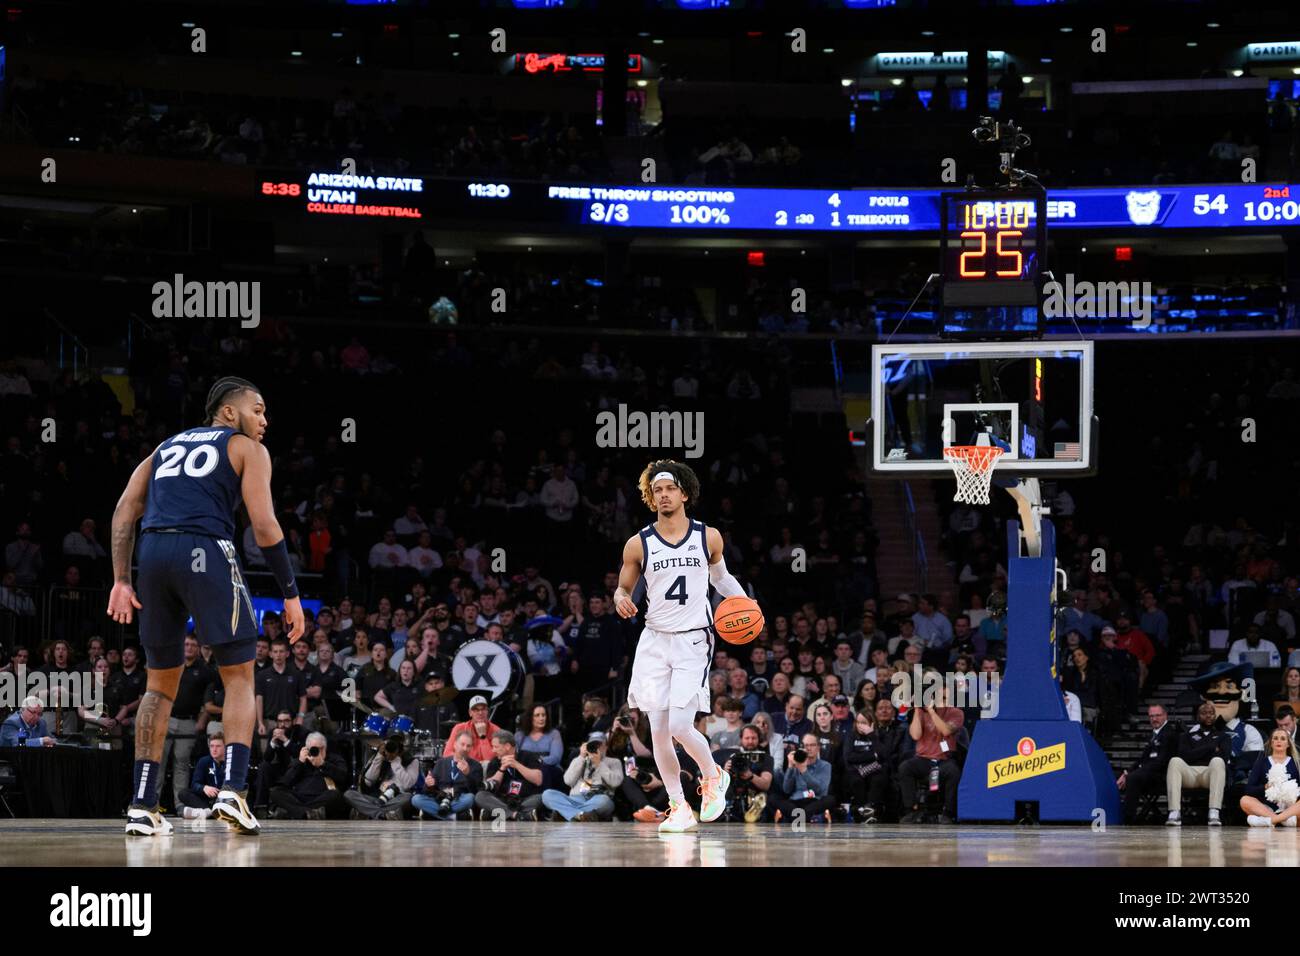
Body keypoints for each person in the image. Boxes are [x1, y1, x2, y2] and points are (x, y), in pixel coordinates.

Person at [107, 377, 305, 835]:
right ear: (230, 413)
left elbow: (123, 511)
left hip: (152, 554)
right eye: (258, 410)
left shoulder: (164, 447)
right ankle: (234, 792)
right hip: (205, 549)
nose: (264, 421)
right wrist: (291, 593)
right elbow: (264, 525)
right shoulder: (244, 448)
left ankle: (141, 805)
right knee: (238, 675)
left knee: (159, 687)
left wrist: (120, 578)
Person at [614, 460, 747, 833]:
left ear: (684, 493)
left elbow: (722, 580)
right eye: (657, 490)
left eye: (670, 488)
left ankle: (713, 775)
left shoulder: (709, 537)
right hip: (654, 640)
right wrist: (619, 596)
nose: (663, 495)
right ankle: (679, 807)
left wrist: (749, 607)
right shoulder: (638, 543)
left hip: (692, 638)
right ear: (650, 497)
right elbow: (623, 587)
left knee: (679, 724)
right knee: (657, 729)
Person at [898, 685, 964, 824]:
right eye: (940, 697)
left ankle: (948, 812)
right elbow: (915, 735)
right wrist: (917, 709)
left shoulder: (956, 713)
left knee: (953, 772)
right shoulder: (921, 712)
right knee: (905, 767)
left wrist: (932, 712)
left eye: (946, 698)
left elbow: (946, 731)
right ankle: (911, 810)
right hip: (923, 759)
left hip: (944, 759)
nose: (943, 701)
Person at [1166, 700, 1232, 827]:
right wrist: (1211, 747)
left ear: (1215, 716)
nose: (1208, 716)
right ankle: (1174, 812)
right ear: (1198, 716)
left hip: (1210, 774)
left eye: (1211, 713)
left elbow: (1223, 757)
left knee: (1217, 761)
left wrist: (1196, 752)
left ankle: (1214, 812)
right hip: (1190, 773)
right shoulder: (1187, 736)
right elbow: (1184, 756)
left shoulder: (1223, 737)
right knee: (1175, 761)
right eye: (1204, 713)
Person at [1116, 704, 1179, 824]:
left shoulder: (1170, 734)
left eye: (1157, 716)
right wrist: (1126, 772)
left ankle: (1127, 819)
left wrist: (1132, 773)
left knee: (1133, 778)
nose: (1154, 719)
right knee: (1118, 776)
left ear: (1165, 715)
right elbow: (1142, 759)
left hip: (1162, 775)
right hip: (1148, 773)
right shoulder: (1154, 734)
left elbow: (1161, 761)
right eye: (1151, 716)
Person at [542, 732, 624, 821]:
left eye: (600, 745)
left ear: (606, 747)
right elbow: (568, 781)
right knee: (547, 794)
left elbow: (616, 782)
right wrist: (581, 757)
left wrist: (599, 764)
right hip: (576, 799)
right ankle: (581, 815)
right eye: (593, 745)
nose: (596, 748)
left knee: (604, 801)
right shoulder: (579, 760)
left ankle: (566, 813)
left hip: (598, 799)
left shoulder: (614, 762)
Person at [269, 733, 350, 820]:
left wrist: (323, 764)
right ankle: (308, 814)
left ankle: (294, 813)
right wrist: (299, 762)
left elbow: (343, 777)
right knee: (275, 792)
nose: (317, 752)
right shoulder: (301, 760)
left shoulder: (335, 759)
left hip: (322, 798)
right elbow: (285, 782)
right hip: (299, 798)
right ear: (307, 748)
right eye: (313, 749)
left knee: (335, 795)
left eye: (320, 748)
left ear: (325, 748)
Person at [411, 730, 483, 821]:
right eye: (462, 744)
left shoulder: (476, 765)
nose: (465, 748)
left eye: (468, 746)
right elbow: (427, 791)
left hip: (459, 800)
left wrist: (467, 774)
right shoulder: (441, 762)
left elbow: (476, 792)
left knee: (470, 798)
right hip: (439, 800)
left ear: (471, 748)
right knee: (416, 799)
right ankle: (453, 816)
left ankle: (435, 815)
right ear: (455, 744)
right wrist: (429, 785)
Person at [474, 730, 546, 821]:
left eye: (496, 747)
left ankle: (499, 813)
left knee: (543, 797)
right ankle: (517, 815)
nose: (493, 750)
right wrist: (502, 769)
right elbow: (490, 786)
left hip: (525, 800)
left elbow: (538, 780)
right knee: (480, 796)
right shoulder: (494, 761)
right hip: (502, 800)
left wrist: (516, 765)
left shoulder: (529, 756)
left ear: (507, 746)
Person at [345, 733, 419, 820]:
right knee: (349, 794)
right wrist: (379, 756)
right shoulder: (380, 756)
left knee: (408, 797)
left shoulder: (412, 761)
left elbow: (407, 784)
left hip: (395, 800)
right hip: (377, 798)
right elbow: (368, 781)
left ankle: (369, 811)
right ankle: (383, 814)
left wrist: (395, 761)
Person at [1240, 728, 1300, 827]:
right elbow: (1248, 789)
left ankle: (1269, 821)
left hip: (1291, 808)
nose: (1279, 741)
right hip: (1266, 808)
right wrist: (1265, 787)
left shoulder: (1296, 763)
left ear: (1288, 744)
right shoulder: (1262, 762)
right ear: (1271, 743)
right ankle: (1283, 821)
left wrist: (1293, 790)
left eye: (1283, 739)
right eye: (1275, 738)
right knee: (1244, 800)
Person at [771, 733, 836, 823]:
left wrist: (804, 771)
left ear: (818, 748)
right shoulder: (796, 762)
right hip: (795, 802)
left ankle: (796, 817)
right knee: (773, 798)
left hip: (814, 801)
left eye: (812, 745)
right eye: (806, 745)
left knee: (830, 799)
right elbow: (787, 789)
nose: (808, 748)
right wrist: (790, 767)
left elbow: (820, 790)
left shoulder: (825, 765)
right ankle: (806, 817)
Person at [843, 707, 891, 823]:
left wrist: (871, 735)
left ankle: (869, 810)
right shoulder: (851, 736)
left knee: (878, 779)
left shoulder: (880, 735)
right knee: (856, 781)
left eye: (864, 723)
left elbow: (884, 755)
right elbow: (849, 757)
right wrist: (873, 756)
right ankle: (862, 811)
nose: (860, 725)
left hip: (875, 770)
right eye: (858, 722)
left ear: (872, 723)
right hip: (856, 770)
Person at [718, 724, 774, 822]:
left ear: (759, 739)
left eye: (753, 738)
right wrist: (725, 771)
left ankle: (755, 809)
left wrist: (751, 776)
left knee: (766, 798)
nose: (750, 741)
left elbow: (766, 785)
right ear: (741, 739)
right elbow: (720, 783)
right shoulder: (732, 756)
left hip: (756, 794)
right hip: (733, 792)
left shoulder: (766, 758)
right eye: (747, 738)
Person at [177, 733, 226, 819]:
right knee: (183, 793)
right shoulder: (204, 761)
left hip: (224, 799)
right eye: (212, 746)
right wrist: (204, 787)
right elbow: (194, 784)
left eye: (218, 746)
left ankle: (204, 813)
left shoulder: (230, 762)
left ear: (225, 747)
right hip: (208, 800)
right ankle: (208, 812)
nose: (214, 749)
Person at [443, 695, 501, 763]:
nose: (480, 713)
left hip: (487, 770)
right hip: (465, 766)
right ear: (470, 713)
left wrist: (483, 737)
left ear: (487, 711)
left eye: (483, 709)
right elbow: (447, 754)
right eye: (476, 710)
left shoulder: (496, 730)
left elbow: (491, 760)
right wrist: (471, 763)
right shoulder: (459, 728)